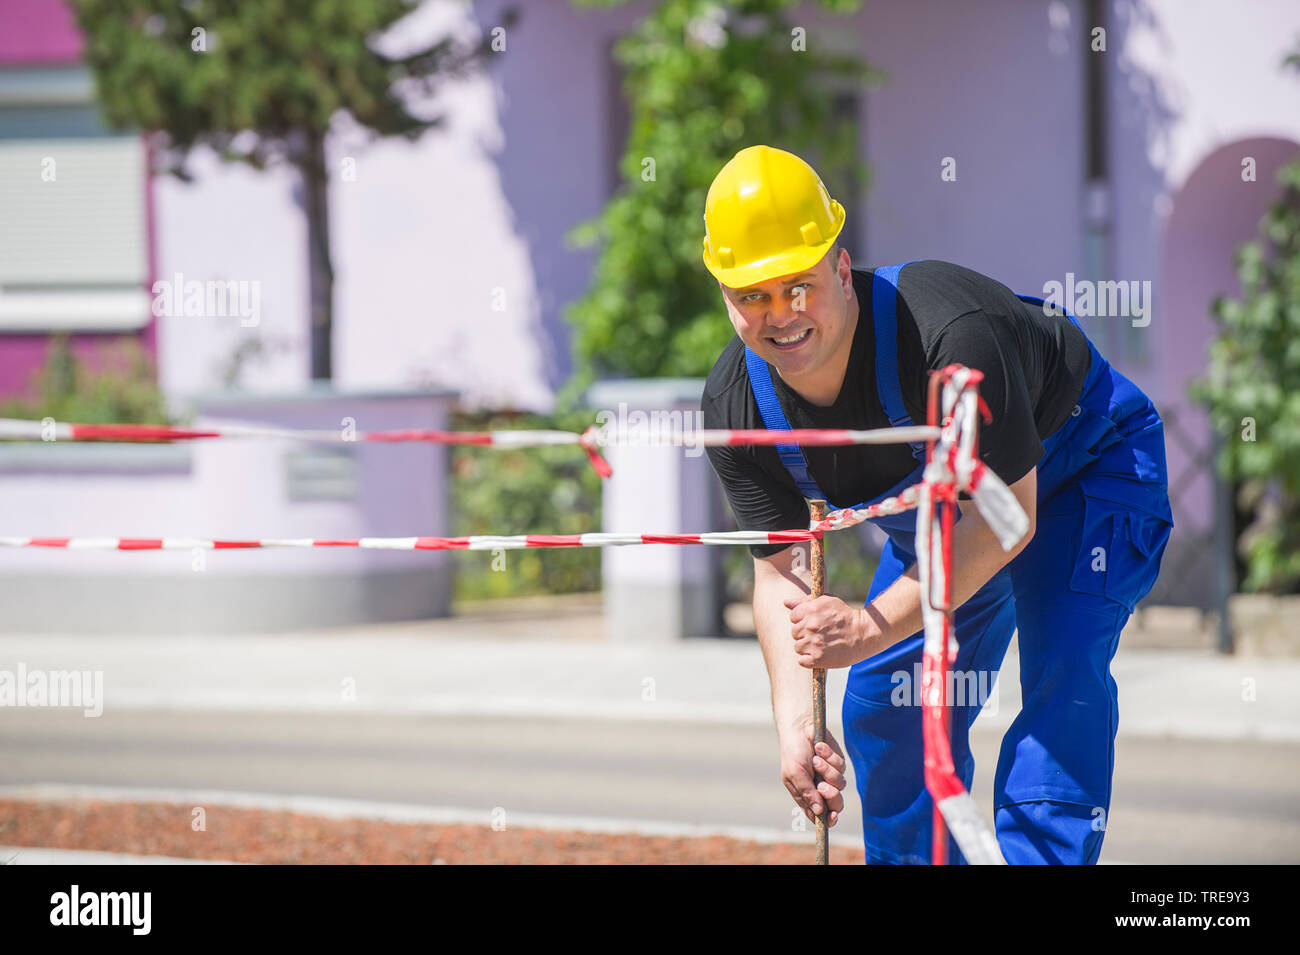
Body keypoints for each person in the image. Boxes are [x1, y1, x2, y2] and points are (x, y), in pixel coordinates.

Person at [700, 144, 1173, 864]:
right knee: (883, 710)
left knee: (1062, 674)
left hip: (1083, 466)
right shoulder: (739, 405)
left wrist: (869, 622)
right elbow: (781, 575)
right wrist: (798, 721)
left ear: (838, 263)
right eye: (751, 295)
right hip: (952, 524)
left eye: (797, 284)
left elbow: (1007, 517)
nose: (780, 313)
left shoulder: (949, 332)